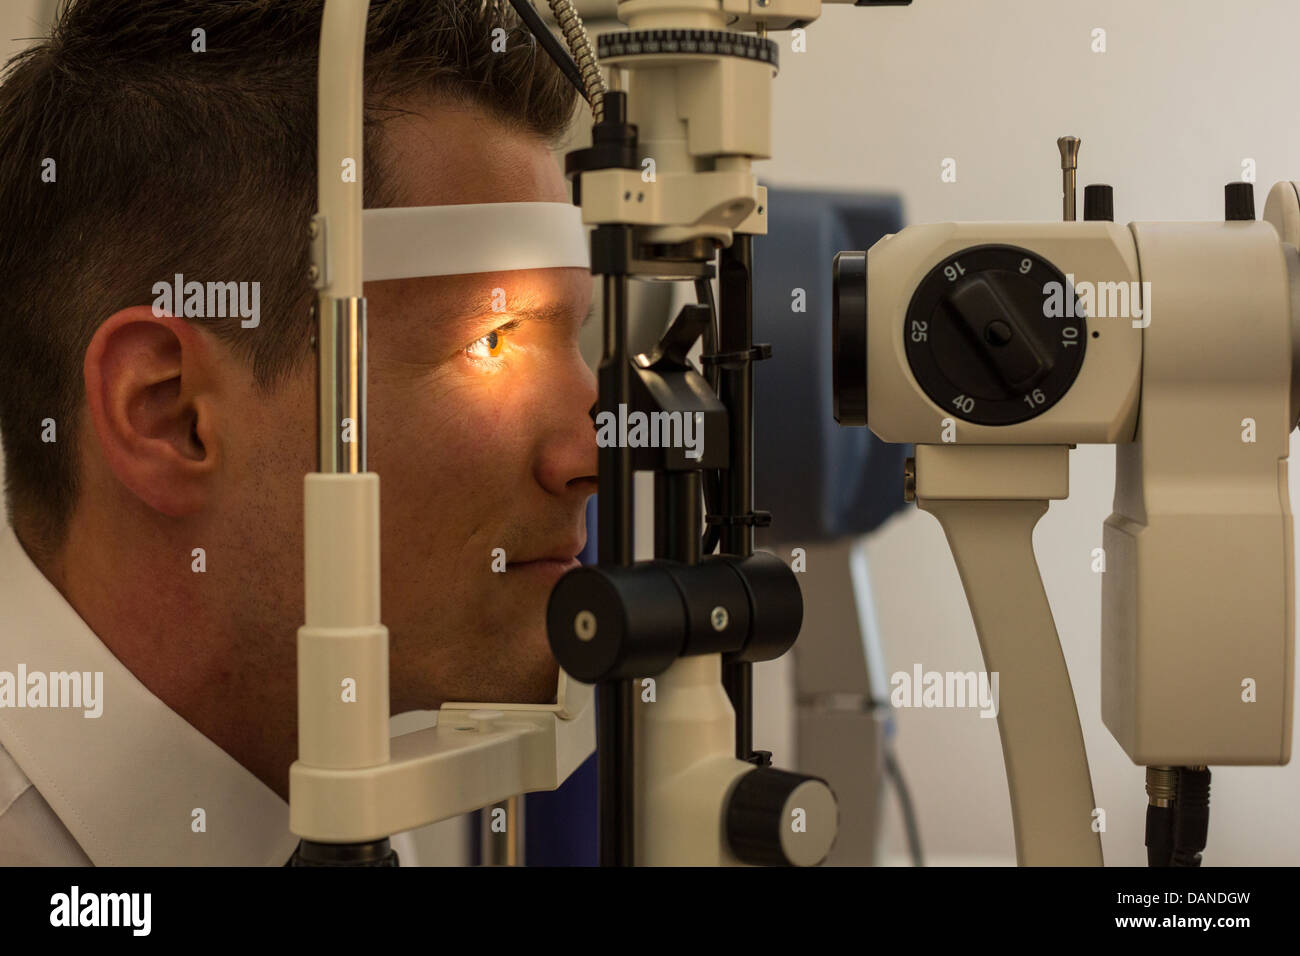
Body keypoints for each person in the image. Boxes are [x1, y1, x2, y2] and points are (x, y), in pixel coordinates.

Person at [0, 0, 598, 865]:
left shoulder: (371, 793)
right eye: (492, 342)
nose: (591, 454)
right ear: (169, 413)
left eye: (575, 339)